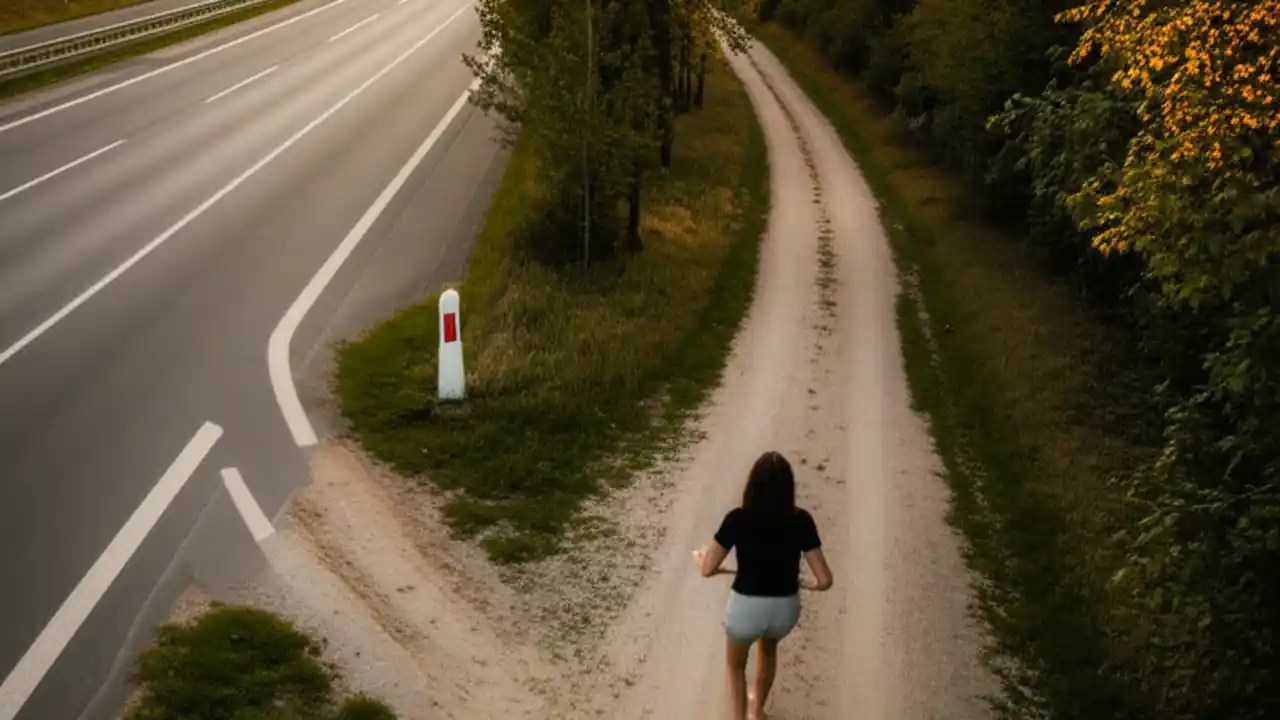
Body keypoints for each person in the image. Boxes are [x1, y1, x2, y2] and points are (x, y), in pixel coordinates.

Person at [693, 451, 833, 720]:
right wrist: (806, 582)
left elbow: (707, 569)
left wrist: (702, 560)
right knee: (768, 651)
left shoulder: (737, 519)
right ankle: (757, 711)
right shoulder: (802, 520)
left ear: (751, 485)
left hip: (746, 609)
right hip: (784, 611)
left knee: (735, 668)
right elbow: (825, 580)